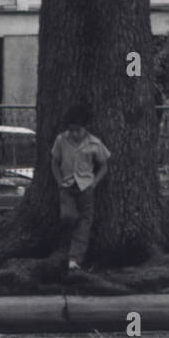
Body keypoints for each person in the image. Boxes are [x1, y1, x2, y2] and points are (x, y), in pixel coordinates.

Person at [50, 104, 110, 271]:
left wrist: (94, 183)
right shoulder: (61, 140)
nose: (75, 134)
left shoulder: (94, 143)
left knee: (84, 223)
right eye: (71, 130)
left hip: (86, 189)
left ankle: (74, 259)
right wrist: (59, 181)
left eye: (78, 130)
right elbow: (54, 162)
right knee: (69, 216)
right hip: (67, 187)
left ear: (85, 128)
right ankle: (65, 242)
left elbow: (104, 166)